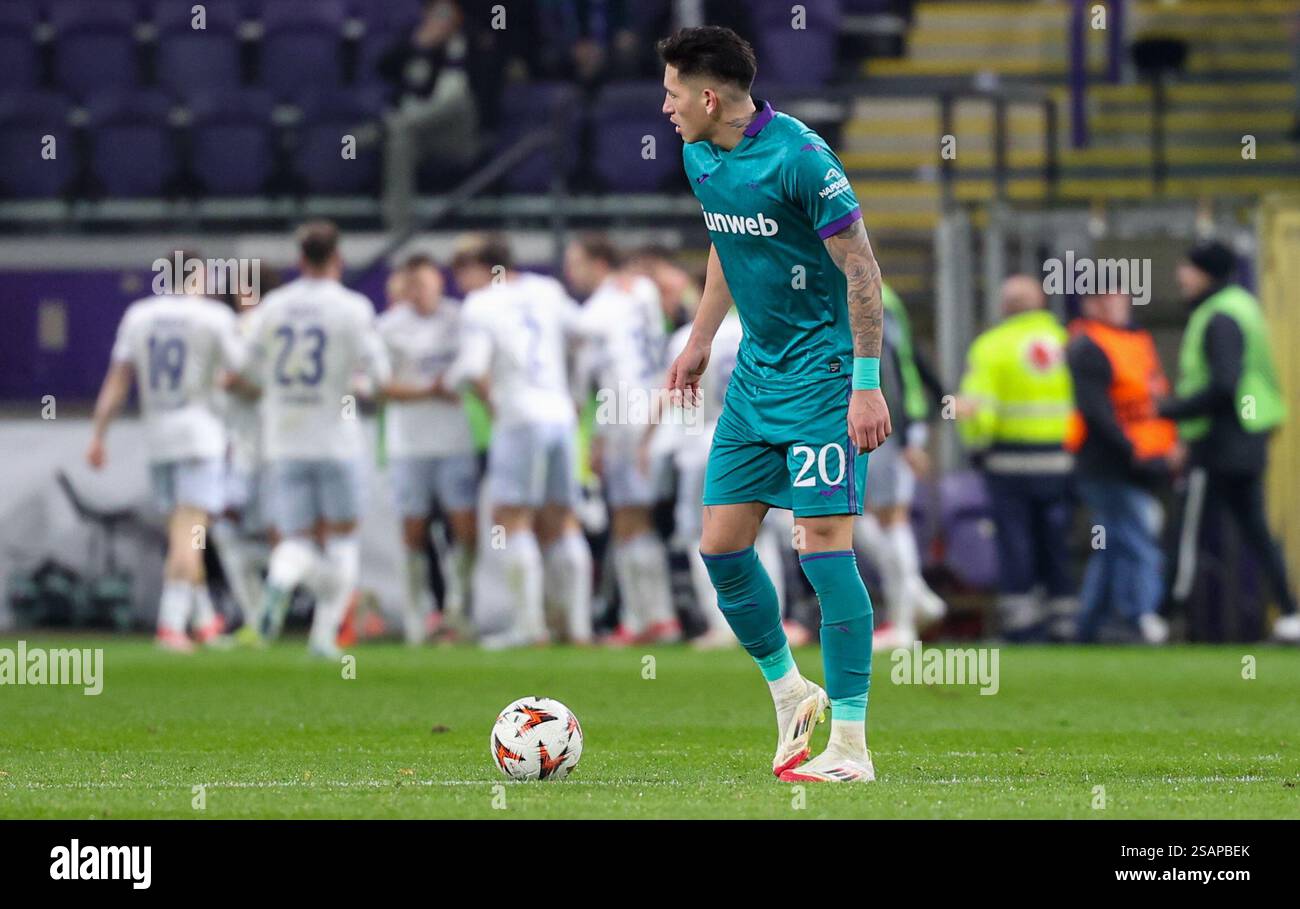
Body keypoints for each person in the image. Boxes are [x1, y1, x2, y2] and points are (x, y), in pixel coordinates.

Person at [660, 27, 890, 783]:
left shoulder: (801, 159)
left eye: (672, 93)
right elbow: (728, 241)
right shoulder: (701, 155)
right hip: (757, 377)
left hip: (824, 377)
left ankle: (851, 746)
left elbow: (861, 269)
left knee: (823, 548)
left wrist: (865, 382)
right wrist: (699, 337)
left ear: (709, 96)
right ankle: (791, 691)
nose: (664, 107)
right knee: (721, 546)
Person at [233, 221, 392, 658]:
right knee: (342, 538)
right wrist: (356, 382)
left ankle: (281, 583)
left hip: (283, 439)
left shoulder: (273, 307)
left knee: (297, 538)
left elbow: (244, 369)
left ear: (300, 260)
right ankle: (323, 638)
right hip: (336, 439)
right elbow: (379, 377)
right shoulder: (353, 307)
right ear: (337, 259)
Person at [439, 234, 594, 648]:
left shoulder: (480, 304)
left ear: (480, 267)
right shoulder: (548, 290)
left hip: (518, 418)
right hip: (561, 416)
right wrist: (575, 395)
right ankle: (576, 628)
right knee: (562, 523)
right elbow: (584, 337)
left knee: (510, 520)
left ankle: (529, 627)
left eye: (462, 271)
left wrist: (489, 403)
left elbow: (471, 368)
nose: (460, 282)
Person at [87, 252, 244, 652]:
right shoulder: (214, 317)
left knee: (183, 531)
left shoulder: (139, 315)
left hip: (158, 438)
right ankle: (170, 626)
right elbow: (244, 372)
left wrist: (98, 435)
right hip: (200, 436)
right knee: (190, 535)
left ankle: (205, 622)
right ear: (198, 276)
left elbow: (118, 381)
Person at [1157, 241, 1298, 642]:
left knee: (1187, 529)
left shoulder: (1219, 315)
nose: (1180, 276)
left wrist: (1170, 410)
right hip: (1247, 435)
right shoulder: (1242, 306)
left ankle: (1161, 616)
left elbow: (1223, 385)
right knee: (1255, 529)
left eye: (1187, 267)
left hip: (1220, 437)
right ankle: (1290, 613)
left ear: (1206, 272)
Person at [565, 234, 679, 643]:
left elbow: (587, 384)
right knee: (640, 520)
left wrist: (590, 435)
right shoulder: (642, 291)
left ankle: (647, 619)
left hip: (624, 417)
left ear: (598, 263)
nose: (569, 272)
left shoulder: (593, 315)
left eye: (574, 262)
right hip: (658, 410)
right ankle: (653, 616)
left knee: (630, 521)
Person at [956, 275, 1076, 641]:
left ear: (1005, 306)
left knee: (1015, 540)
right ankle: (1065, 620)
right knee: (1056, 539)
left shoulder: (991, 347)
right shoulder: (1067, 342)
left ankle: (1023, 626)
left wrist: (975, 446)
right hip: (1060, 461)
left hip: (1008, 463)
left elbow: (980, 412)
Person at [1065, 291, 1179, 644]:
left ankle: (1087, 624)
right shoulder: (1088, 346)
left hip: (1137, 463)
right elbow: (1098, 412)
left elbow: (1151, 400)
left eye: (1117, 298)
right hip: (1107, 463)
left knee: (1114, 544)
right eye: (1104, 299)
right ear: (1089, 305)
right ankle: (1141, 617)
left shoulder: (1134, 340)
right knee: (1138, 539)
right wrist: (1135, 451)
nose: (1114, 305)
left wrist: (1168, 446)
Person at [377, 254, 478, 645]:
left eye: (427, 284)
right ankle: (418, 616)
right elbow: (378, 386)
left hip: (455, 441)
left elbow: (475, 368)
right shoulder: (388, 327)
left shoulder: (461, 319)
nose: (420, 293)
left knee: (465, 529)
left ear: (439, 283)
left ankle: (458, 611)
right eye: (413, 285)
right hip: (409, 446)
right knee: (413, 530)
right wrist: (430, 390)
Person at [855, 283, 946, 650]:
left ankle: (904, 621)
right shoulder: (881, 292)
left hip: (884, 421)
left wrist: (905, 436)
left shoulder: (864, 292)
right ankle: (914, 597)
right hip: (881, 419)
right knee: (864, 516)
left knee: (887, 516)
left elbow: (887, 358)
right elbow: (910, 354)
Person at [212, 267, 281, 636]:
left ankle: (265, 615)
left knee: (271, 535)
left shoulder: (262, 328)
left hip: (264, 448)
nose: (240, 295)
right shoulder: (236, 328)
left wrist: (240, 384)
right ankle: (260, 617)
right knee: (231, 530)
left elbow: (272, 388)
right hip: (246, 446)